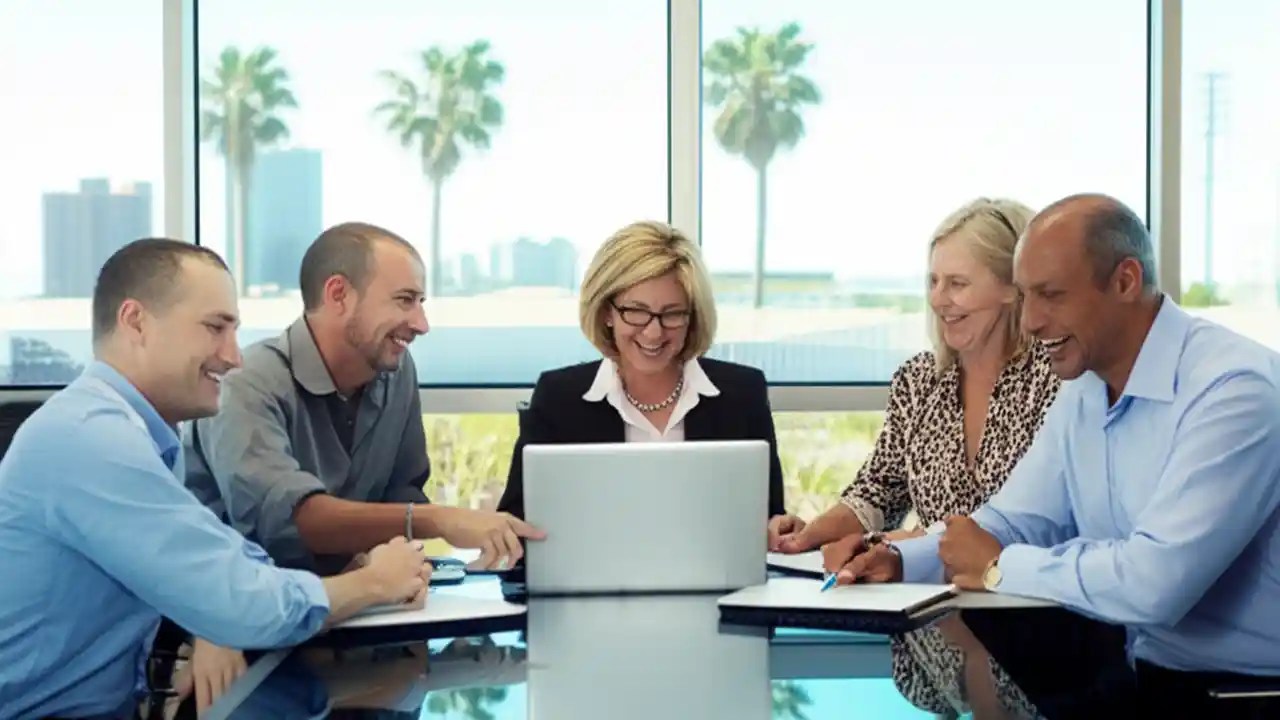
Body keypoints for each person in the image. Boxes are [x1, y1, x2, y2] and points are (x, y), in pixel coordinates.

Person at [829, 194, 1280, 716]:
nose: (1031, 322)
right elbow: (1014, 518)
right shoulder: (1086, 389)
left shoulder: (1233, 391)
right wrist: (901, 559)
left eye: (1050, 295)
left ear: (1125, 281)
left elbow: (1154, 583)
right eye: (1025, 297)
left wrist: (999, 568)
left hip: (1245, 696)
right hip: (1145, 683)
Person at [0, 239, 430, 720]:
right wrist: (376, 583)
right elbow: (245, 603)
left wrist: (347, 583)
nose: (234, 357)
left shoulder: (141, 437)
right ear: (135, 322)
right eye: (214, 328)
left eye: (235, 330)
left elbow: (234, 566)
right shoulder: (90, 441)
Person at [769, 198, 1060, 717]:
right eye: (932, 281)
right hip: (933, 624)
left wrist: (904, 542)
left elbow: (1030, 517)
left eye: (957, 282)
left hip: (1028, 619)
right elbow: (877, 490)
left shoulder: (1054, 379)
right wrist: (808, 537)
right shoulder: (918, 379)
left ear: (1011, 288)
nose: (939, 299)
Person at [185, 222, 544, 577]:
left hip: (362, 607)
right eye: (405, 300)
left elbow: (403, 492)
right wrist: (439, 519)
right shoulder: (247, 384)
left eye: (421, 303)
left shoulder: (397, 372)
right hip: (248, 621)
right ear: (338, 294)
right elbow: (289, 520)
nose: (421, 324)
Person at [497, 220, 785, 521]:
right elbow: (517, 524)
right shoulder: (558, 397)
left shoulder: (742, 393)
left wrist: (781, 529)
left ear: (692, 317)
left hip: (714, 570)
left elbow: (768, 517)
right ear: (607, 312)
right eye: (636, 311)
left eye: (672, 314)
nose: (653, 333)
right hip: (590, 569)